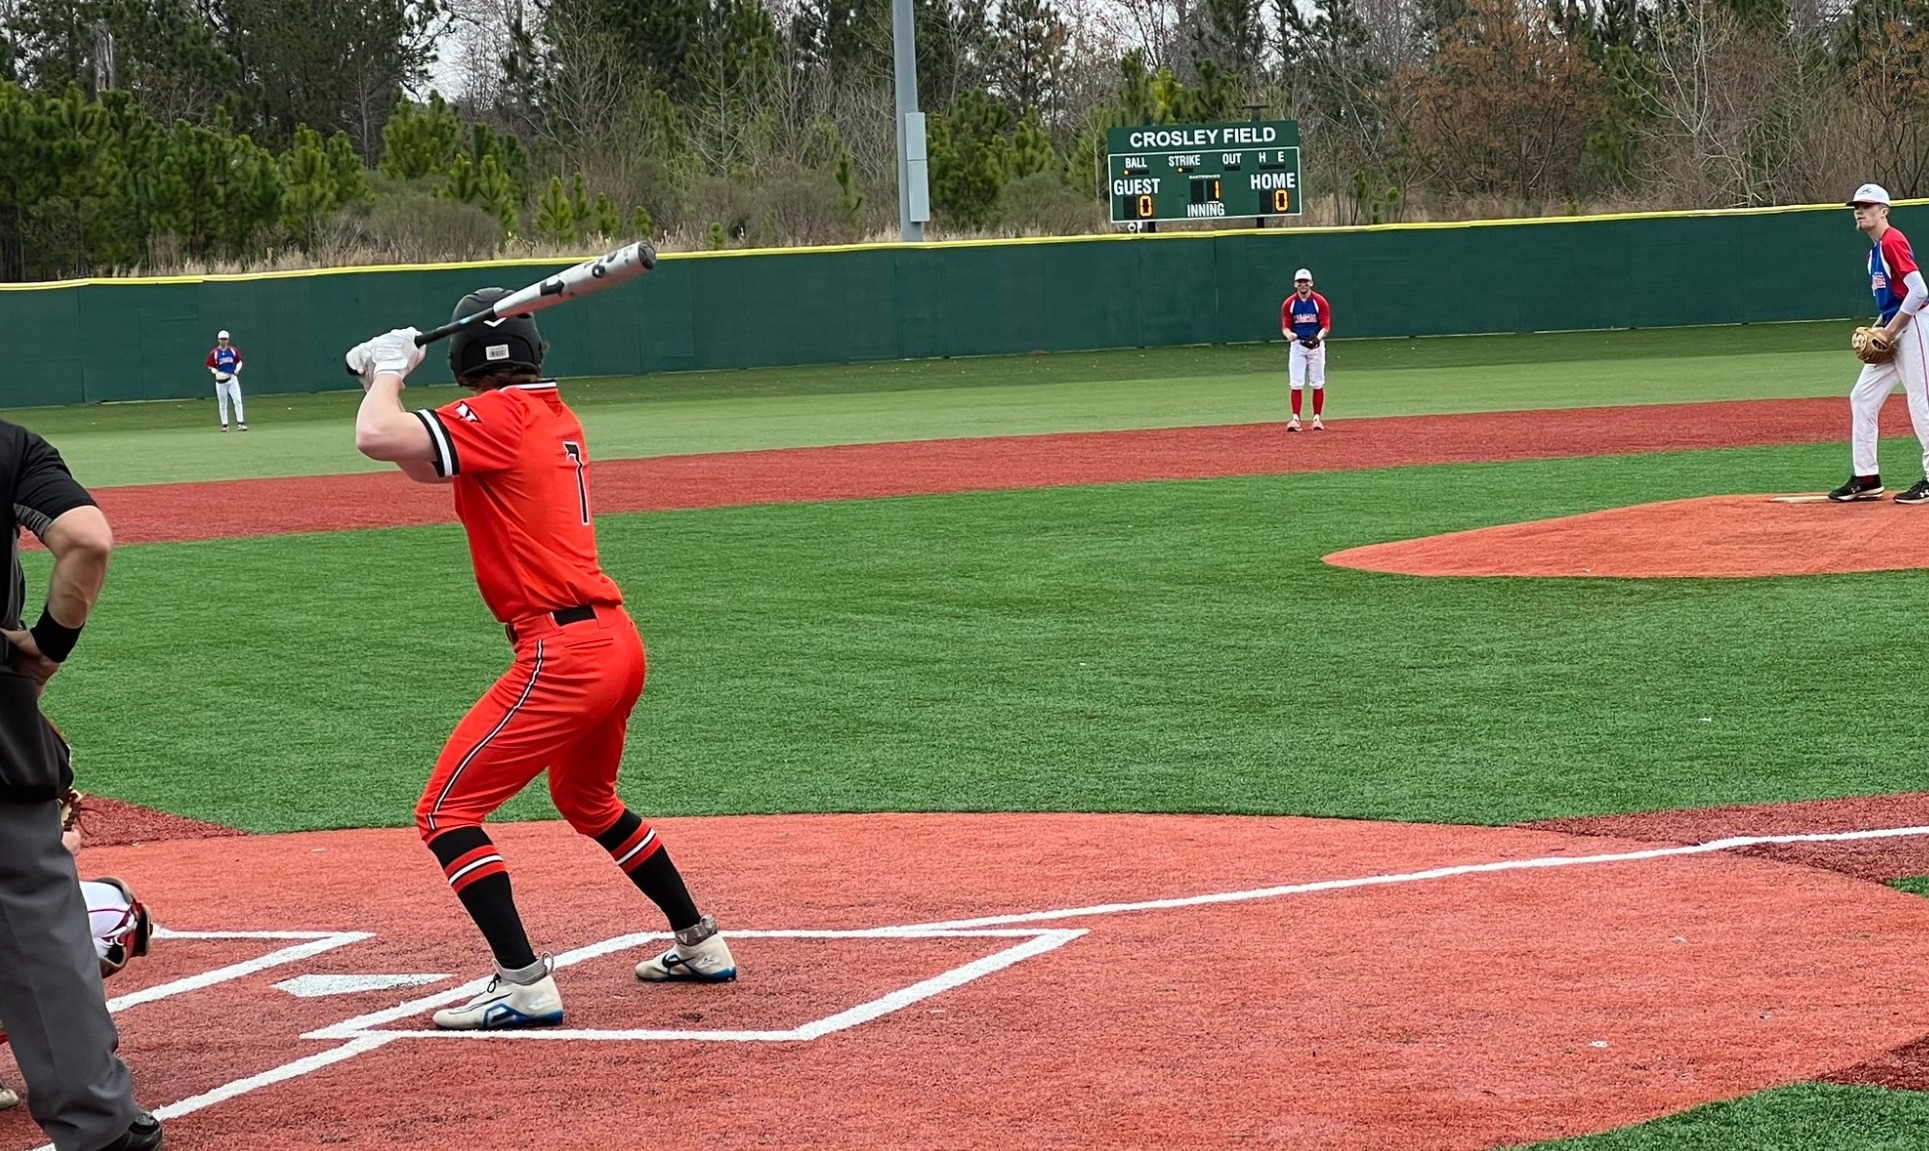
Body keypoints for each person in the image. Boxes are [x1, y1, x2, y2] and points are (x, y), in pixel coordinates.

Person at [346, 292, 736, 1032]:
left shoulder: (500, 417)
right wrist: (379, 380)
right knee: (587, 801)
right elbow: (417, 460)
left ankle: (522, 981)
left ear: (469, 360)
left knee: (444, 812)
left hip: (563, 652)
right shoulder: (548, 415)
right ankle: (699, 939)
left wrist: (390, 372)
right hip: (615, 643)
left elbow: (374, 438)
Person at [0, 422, 161, 1151]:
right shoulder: (10, 445)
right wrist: (43, 652)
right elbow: (87, 541)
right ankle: (96, 1127)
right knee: (37, 924)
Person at [1831, 183, 1929, 503]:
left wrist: (1890, 332)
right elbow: (1893, 300)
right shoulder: (1873, 253)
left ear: (1884, 211)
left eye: (1867, 206)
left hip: (1915, 326)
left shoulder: (1892, 241)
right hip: (1896, 327)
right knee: (1862, 397)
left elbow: (1919, 291)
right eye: (1856, 207)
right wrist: (1879, 328)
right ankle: (1867, 478)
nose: (1859, 211)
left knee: (1921, 400)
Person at [1282, 269, 1331, 432]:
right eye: (1300, 282)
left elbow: (1325, 324)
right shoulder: (1290, 303)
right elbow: (1285, 326)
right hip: (1298, 346)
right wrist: (1289, 335)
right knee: (1296, 383)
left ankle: (1317, 418)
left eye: (1305, 281)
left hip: (1315, 346)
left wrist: (1318, 338)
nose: (1303, 284)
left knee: (1317, 382)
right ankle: (1296, 419)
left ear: (1311, 283)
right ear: (1295, 284)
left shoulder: (1319, 301)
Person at [205, 330, 247, 432]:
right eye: (222, 339)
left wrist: (237, 369)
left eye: (225, 339)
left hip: (232, 378)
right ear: (218, 340)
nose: (223, 341)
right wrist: (214, 371)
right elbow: (209, 364)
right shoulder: (214, 353)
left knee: (237, 400)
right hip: (220, 381)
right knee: (223, 403)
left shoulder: (232, 350)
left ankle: (240, 423)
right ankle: (225, 425)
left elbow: (239, 361)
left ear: (228, 340)